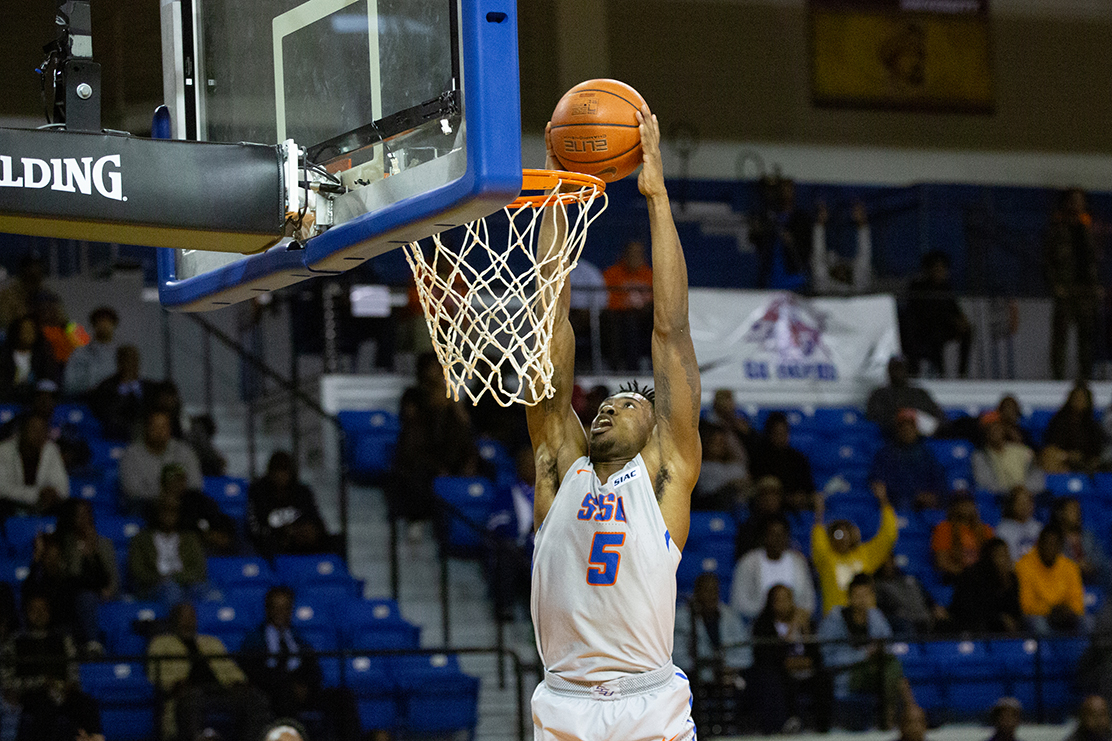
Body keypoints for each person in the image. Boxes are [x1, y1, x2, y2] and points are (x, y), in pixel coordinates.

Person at [526, 106, 701, 741]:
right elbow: (550, 319)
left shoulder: (664, 478)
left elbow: (671, 332)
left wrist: (655, 196)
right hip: (565, 704)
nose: (607, 406)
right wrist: (552, 197)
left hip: (647, 702)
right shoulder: (559, 464)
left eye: (630, 404)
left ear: (657, 433)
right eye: (604, 404)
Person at [241, 587, 359, 741]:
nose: (280, 612)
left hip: (303, 689)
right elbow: (253, 671)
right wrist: (287, 683)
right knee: (284, 694)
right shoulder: (255, 640)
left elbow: (313, 668)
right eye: (276, 607)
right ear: (268, 609)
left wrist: (305, 685)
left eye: (285, 608)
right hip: (271, 691)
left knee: (342, 697)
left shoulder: (298, 638)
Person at [389, 352, 481, 541]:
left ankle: (476, 523)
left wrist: (451, 402)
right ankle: (417, 520)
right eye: (431, 368)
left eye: (438, 369)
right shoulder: (413, 395)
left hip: (448, 454)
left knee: (484, 466)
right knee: (418, 473)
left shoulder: (449, 399)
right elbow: (410, 429)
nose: (435, 373)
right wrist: (432, 405)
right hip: (423, 454)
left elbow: (465, 425)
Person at [147, 601, 271, 741]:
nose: (188, 621)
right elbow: (159, 677)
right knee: (192, 698)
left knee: (255, 698)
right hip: (188, 693)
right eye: (184, 617)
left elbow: (232, 670)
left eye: (192, 617)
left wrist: (239, 683)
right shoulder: (161, 644)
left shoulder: (211, 642)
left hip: (220, 691)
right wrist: (177, 686)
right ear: (174, 619)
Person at [1, 593, 103, 741]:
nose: (39, 614)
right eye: (34, 610)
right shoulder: (15, 642)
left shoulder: (63, 640)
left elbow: (73, 674)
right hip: (32, 695)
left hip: (63, 693)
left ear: (49, 613)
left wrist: (64, 687)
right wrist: (40, 683)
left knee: (87, 703)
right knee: (45, 707)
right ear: (26, 613)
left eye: (43, 610)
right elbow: (8, 683)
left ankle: (93, 738)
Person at [817, 574, 912, 728]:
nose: (861, 600)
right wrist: (863, 654)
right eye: (857, 596)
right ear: (849, 597)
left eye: (865, 595)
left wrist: (877, 652)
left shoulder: (876, 616)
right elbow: (827, 659)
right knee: (893, 672)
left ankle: (897, 715)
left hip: (877, 669)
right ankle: (908, 714)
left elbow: (888, 645)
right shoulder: (834, 620)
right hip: (846, 675)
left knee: (891, 667)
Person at [749, 584, 833, 734]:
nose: (783, 604)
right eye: (778, 600)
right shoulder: (763, 625)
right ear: (771, 603)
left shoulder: (805, 622)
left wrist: (805, 632)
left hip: (805, 668)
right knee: (774, 679)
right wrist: (788, 636)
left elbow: (815, 654)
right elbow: (765, 656)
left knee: (823, 677)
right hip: (780, 671)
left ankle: (823, 727)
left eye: (786, 599)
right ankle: (785, 724)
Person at [812, 483, 899, 614]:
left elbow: (888, 535)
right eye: (837, 534)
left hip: (866, 621)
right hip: (836, 622)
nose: (843, 537)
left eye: (846, 532)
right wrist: (819, 513)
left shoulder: (865, 554)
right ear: (830, 538)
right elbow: (818, 538)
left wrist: (884, 501)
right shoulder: (825, 558)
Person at [1044, 188, 1101, 381]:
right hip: (1066, 290)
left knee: (1086, 336)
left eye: (1080, 200)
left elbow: (1094, 260)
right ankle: (1057, 377)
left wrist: (1096, 286)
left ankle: (1086, 377)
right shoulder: (1058, 228)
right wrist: (1056, 285)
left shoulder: (1088, 229)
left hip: (1086, 290)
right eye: (1073, 200)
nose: (1077, 204)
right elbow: (1047, 260)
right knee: (1060, 335)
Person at [54, 499, 119, 653]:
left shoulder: (104, 544)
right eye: (80, 515)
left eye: (87, 515)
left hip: (100, 593)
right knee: (83, 598)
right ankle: (87, 643)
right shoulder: (68, 544)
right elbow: (73, 576)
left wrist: (94, 552)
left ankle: (93, 643)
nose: (84, 520)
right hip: (76, 594)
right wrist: (81, 551)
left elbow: (113, 578)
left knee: (88, 598)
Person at [128, 494, 213, 605]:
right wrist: (159, 578)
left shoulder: (189, 538)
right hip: (155, 586)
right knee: (171, 589)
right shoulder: (141, 539)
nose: (168, 515)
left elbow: (199, 569)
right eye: (164, 510)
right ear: (157, 512)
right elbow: (137, 571)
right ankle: (176, 621)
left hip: (186, 583)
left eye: (173, 510)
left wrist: (177, 577)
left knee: (208, 591)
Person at [901, 250, 972, 378]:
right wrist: (950, 319)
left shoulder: (946, 288)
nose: (941, 272)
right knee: (936, 334)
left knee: (968, 330)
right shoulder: (918, 287)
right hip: (923, 329)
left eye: (943, 269)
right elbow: (923, 313)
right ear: (929, 270)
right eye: (937, 268)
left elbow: (954, 308)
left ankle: (962, 372)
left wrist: (961, 319)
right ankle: (940, 373)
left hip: (943, 327)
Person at [673, 574, 751, 690]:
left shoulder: (731, 617)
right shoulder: (680, 618)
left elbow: (745, 655)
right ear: (696, 592)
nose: (711, 595)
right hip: (693, 681)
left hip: (729, 678)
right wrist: (708, 669)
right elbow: (677, 658)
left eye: (714, 591)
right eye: (706, 591)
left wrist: (726, 668)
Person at [247, 451, 333, 557]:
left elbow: (315, 519)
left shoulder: (302, 492)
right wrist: (284, 531)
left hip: (300, 541)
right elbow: (255, 527)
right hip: (272, 541)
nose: (280, 476)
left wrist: (308, 530)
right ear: (270, 472)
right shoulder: (258, 491)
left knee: (332, 541)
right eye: (277, 471)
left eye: (284, 470)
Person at [118, 409, 203, 515]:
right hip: (147, 506)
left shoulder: (185, 452)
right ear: (146, 428)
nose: (159, 432)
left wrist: (173, 496)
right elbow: (132, 491)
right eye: (154, 427)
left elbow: (195, 485)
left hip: (181, 505)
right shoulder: (131, 454)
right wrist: (166, 495)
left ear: (170, 429)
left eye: (163, 427)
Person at [730, 516, 816, 620]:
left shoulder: (798, 562)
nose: (777, 539)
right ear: (764, 536)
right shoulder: (748, 563)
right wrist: (773, 613)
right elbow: (739, 602)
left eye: (781, 535)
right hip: (758, 627)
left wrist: (796, 615)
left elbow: (808, 600)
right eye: (773, 534)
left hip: (794, 626)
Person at [869, 408, 949, 511]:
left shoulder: (927, 454)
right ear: (897, 429)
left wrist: (933, 496)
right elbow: (880, 481)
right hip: (897, 505)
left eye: (911, 426)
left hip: (926, 508)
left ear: (916, 429)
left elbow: (939, 480)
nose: (907, 430)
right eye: (903, 426)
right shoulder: (885, 454)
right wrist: (914, 495)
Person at [1016, 526, 1087, 635]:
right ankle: (1047, 653)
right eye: (1047, 543)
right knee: (1040, 625)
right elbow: (1026, 605)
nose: (1050, 548)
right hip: (1041, 615)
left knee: (1087, 622)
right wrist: (1052, 610)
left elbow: (1078, 603)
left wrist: (1067, 611)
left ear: (1060, 547)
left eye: (1054, 544)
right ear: (1039, 544)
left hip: (1064, 615)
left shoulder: (1070, 567)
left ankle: (1081, 652)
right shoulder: (1024, 566)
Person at [750, 176, 813, 291]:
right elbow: (756, 242)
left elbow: (807, 247)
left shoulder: (801, 218)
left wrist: (792, 240)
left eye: (789, 189)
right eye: (782, 189)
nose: (785, 193)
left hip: (794, 276)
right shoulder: (769, 217)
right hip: (771, 277)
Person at [949, 538, 1023, 635]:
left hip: (1000, 626)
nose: (1006, 560)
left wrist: (1007, 585)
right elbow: (970, 609)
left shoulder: (1011, 578)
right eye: (1000, 556)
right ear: (989, 558)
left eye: (1006, 555)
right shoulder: (973, 576)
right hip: (973, 624)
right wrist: (999, 617)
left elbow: (1015, 609)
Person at [160, 463, 237, 555]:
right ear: (164, 483)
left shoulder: (198, 500)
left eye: (181, 479)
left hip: (202, 545)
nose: (178, 483)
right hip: (171, 547)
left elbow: (217, 520)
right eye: (173, 480)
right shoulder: (157, 505)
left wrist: (213, 534)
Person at [0, 412, 68, 515]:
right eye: (33, 430)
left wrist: (53, 493)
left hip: (44, 507)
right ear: (22, 431)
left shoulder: (51, 449)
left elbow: (63, 488)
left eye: (42, 431)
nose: (38, 435)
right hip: (10, 507)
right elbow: (2, 489)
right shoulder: (3, 450)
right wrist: (36, 495)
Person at [601, 240, 654, 371]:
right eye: (631, 253)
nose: (635, 257)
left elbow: (660, 302)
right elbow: (607, 303)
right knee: (627, 322)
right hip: (620, 317)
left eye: (638, 254)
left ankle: (658, 364)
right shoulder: (612, 274)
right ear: (624, 255)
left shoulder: (651, 274)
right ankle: (625, 367)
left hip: (645, 319)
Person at [87, 345, 159, 441]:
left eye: (134, 360)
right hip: (117, 433)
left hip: (147, 432)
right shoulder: (106, 387)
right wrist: (125, 390)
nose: (131, 365)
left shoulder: (150, 388)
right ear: (119, 363)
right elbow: (105, 413)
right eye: (127, 361)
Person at [750, 412, 816, 512]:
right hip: (770, 507)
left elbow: (809, 487)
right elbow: (759, 486)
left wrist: (802, 496)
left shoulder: (798, 458)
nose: (781, 437)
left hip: (798, 504)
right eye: (777, 433)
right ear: (769, 434)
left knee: (818, 499)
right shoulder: (760, 458)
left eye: (784, 433)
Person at [865, 356, 945, 437]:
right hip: (890, 438)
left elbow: (938, 415)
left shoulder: (919, 393)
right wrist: (900, 418)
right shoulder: (879, 394)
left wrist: (913, 417)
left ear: (907, 370)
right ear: (889, 371)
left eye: (901, 368)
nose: (898, 372)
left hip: (919, 438)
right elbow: (873, 417)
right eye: (895, 368)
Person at [874, 553, 948, 636]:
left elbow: (926, 596)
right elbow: (883, 608)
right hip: (904, 620)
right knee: (904, 625)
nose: (888, 565)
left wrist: (934, 606)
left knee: (945, 621)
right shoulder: (878, 586)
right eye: (885, 562)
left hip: (924, 617)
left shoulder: (910, 579)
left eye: (890, 561)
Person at [972, 412, 1044, 495]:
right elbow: (985, 484)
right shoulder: (980, 456)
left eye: (997, 427)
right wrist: (1011, 493)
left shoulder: (1023, 451)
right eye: (989, 428)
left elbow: (1037, 477)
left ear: (1003, 428)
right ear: (984, 432)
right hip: (999, 499)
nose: (994, 431)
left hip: (1025, 496)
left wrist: (1022, 492)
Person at [1042, 382, 1105, 474]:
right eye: (1076, 397)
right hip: (1062, 458)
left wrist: (1081, 456)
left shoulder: (1092, 425)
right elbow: (1051, 443)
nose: (1079, 401)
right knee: (1049, 455)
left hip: (1084, 461)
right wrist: (1068, 455)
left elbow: (1096, 450)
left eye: (1082, 398)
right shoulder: (1059, 420)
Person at [1050, 496, 1112, 589]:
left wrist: (1091, 565)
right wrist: (1076, 566)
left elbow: (1101, 559)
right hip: (1065, 586)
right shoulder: (1054, 538)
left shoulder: (1089, 536)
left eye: (1078, 510)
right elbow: (1054, 565)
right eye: (1072, 510)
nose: (1077, 513)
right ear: (1060, 514)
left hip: (1092, 581)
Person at [931, 493, 995, 580]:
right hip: (956, 578)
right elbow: (942, 562)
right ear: (954, 507)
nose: (967, 506)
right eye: (962, 503)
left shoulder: (985, 530)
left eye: (970, 503)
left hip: (981, 579)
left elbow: (993, 557)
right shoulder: (944, 529)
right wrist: (966, 575)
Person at [0, 315, 60, 403]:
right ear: (16, 332)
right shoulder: (4, 355)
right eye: (24, 330)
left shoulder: (42, 356)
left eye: (31, 331)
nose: (28, 334)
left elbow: (49, 378)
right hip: (7, 398)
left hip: (35, 399)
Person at [62, 306, 119, 397]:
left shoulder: (120, 354)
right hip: (85, 401)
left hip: (114, 403)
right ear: (93, 325)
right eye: (100, 321)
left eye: (108, 322)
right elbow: (69, 383)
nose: (104, 325)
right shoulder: (79, 354)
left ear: (114, 325)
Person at [693, 423, 749, 511]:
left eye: (722, 442)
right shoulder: (701, 468)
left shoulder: (736, 467)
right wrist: (731, 486)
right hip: (715, 510)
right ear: (706, 443)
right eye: (715, 442)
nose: (719, 446)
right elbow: (707, 495)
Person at [735, 475, 787, 559]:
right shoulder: (748, 528)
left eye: (774, 494)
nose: (770, 499)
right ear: (758, 498)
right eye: (765, 494)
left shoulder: (786, 523)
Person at [995, 486, 1042, 563]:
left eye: (1028, 503)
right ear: (1012, 505)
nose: (1025, 507)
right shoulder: (1003, 530)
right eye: (1021, 503)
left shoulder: (1038, 527)